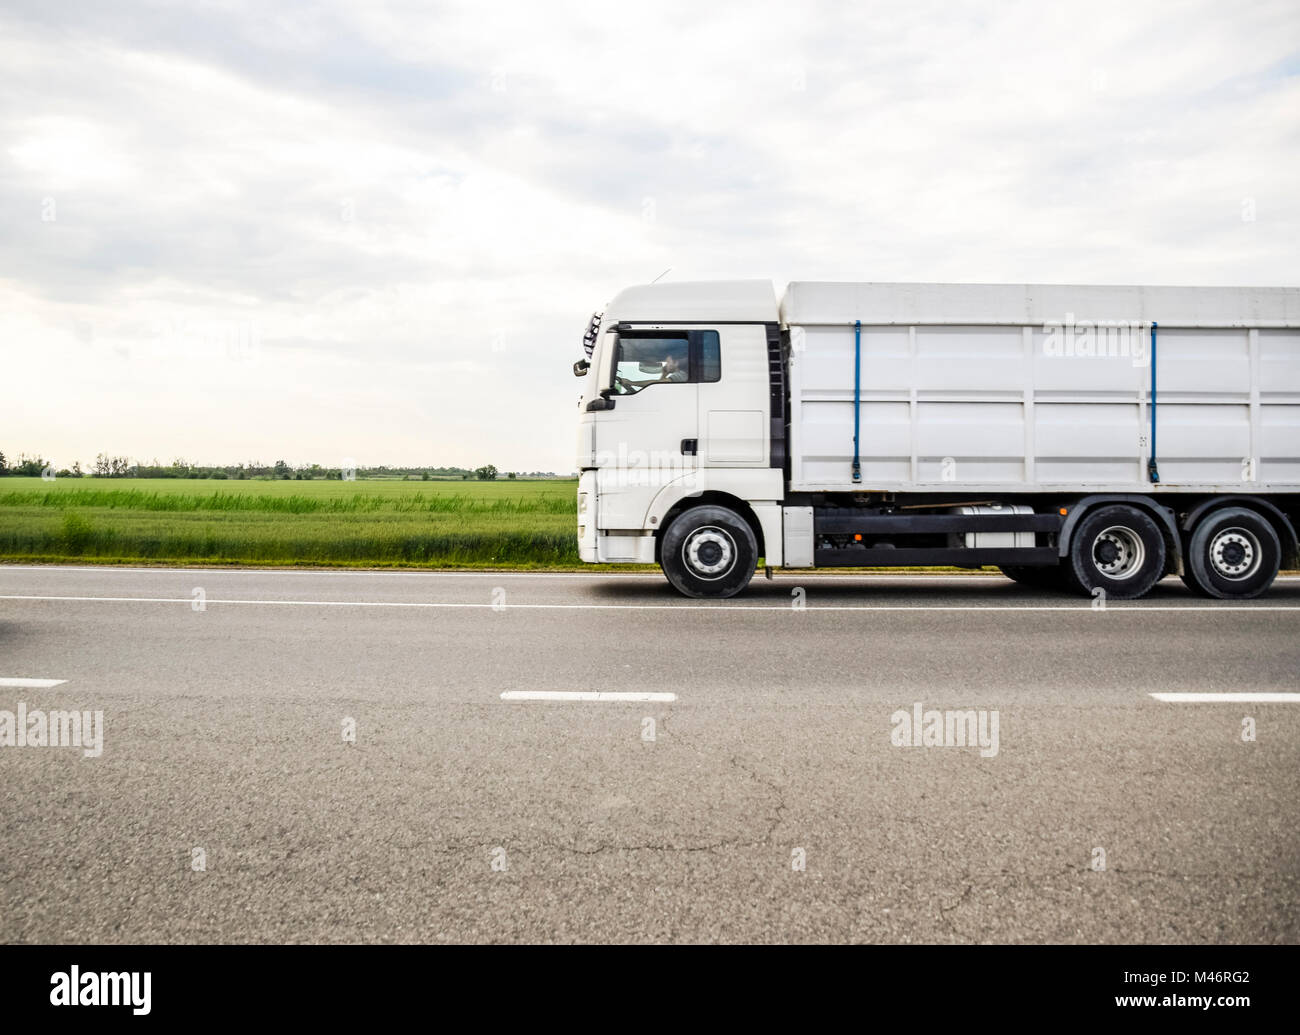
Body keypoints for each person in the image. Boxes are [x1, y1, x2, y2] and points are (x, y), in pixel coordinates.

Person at [617, 348, 688, 391]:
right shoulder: (681, 374)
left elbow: (659, 384)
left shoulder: (682, 375)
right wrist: (664, 374)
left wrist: (631, 383)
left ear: (675, 362)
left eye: (668, 362)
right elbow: (661, 386)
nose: (666, 364)